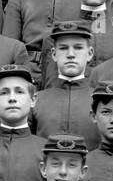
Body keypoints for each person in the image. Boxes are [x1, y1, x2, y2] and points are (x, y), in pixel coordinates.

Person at [0, 65, 46, 181]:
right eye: (4, 93)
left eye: (19, 92)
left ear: (33, 99)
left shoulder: (46, 150)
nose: (12, 98)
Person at [32, 20, 99, 148]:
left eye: (78, 48)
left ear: (90, 54)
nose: (70, 55)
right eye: (63, 48)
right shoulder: (36, 101)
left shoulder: (100, 101)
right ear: (54, 54)